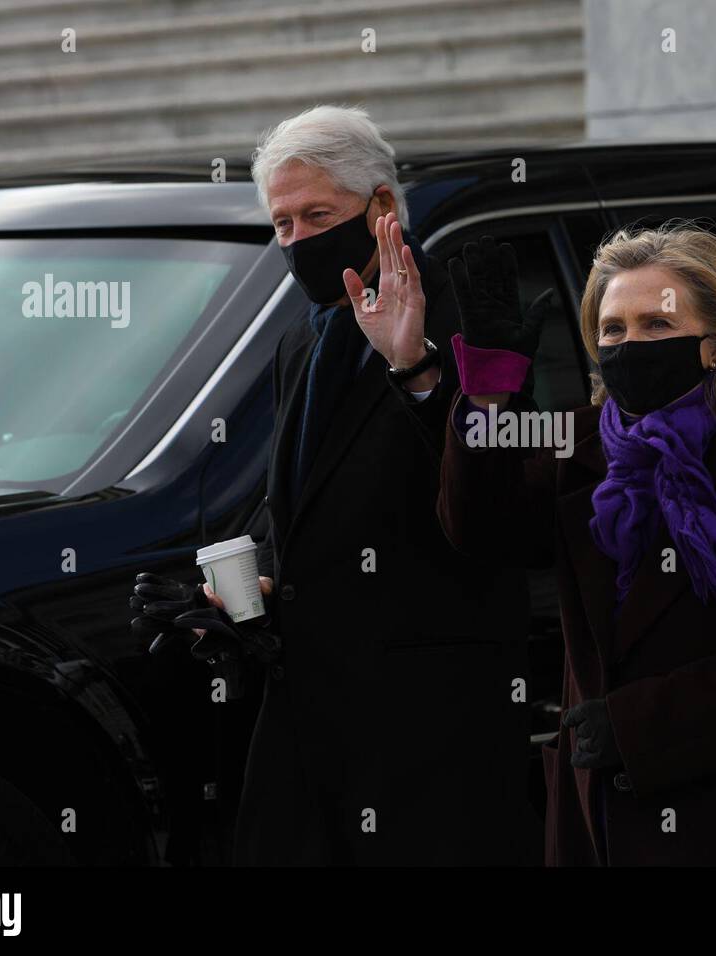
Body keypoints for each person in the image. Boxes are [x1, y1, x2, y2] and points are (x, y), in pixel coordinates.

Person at [373, 225, 716, 864]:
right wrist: (488, 384)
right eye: (612, 330)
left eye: (656, 327)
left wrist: (638, 725)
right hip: (599, 822)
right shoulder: (578, 448)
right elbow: (481, 528)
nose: (629, 346)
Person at [131, 105, 531, 865]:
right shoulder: (304, 341)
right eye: (281, 224)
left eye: (318, 214)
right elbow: (312, 511)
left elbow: (502, 496)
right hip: (310, 727)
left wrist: (415, 371)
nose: (298, 240)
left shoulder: (471, 321)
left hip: (426, 734)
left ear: (383, 206)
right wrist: (241, 591)